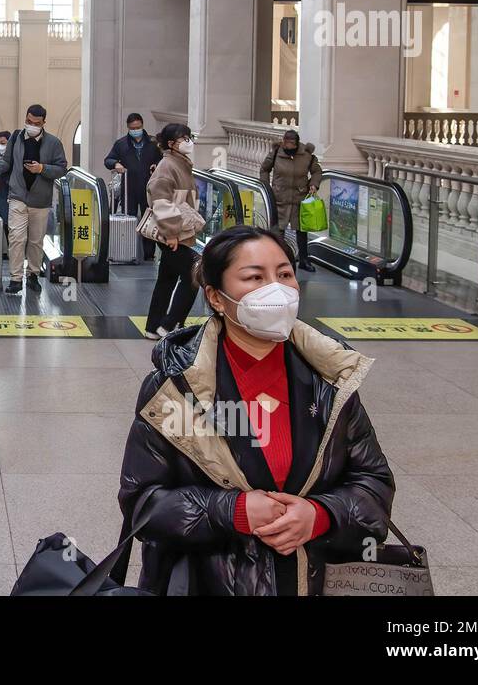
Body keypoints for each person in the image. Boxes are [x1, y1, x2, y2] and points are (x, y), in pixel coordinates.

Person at [113, 226, 394, 595]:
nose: (275, 289)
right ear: (216, 297)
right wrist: (232, 511)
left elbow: (374, 483)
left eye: (284, 274)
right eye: (254, 277)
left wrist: (320, 515)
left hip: (309, 579)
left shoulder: (329, 379)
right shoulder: (177, 388)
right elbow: (143, 504)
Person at [0, 104, 67, 294]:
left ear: (43, 123)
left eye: (36, 123)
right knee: (16, 237)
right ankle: (15, 278)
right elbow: (6, 162)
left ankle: (32, 274)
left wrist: (42, 169)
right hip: (18, 196)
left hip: (41, 199)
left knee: (36, 240)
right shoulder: (16, 138)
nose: (31, 125)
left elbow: (62, 168)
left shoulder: (54, 143)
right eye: (29, 121)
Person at [143, 122, 199, 340]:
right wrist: (171, 233)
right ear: (170, 144)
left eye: (189, 137)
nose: (189, 142)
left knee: (167, 278)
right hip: (174, 234)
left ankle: (153, 327)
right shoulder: (169, 166)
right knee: (195, 275)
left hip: (179, 232)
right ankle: (169, 324)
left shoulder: (180, 163)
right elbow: (161, 202)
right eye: (183, 139)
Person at [260, 129, 322, 272]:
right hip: (279, 198)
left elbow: (317, 171)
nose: (288, 148)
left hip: (300, 199)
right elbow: (264, 169)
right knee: (278, 231)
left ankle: (304, 259)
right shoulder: (276, 153)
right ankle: (276, 260)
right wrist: (266, 187)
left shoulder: (306, 155)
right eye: (285, 144)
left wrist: (314, 184)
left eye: (291, 145)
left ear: (296, 143)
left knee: (302, 230)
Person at [104, 112, 161, 261]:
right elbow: (108, 159)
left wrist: (157, 165)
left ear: (142, 126)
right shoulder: (121, 144)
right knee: (128, 218)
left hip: (148, 189)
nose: (136, 130)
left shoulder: (153, 143)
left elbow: (162, 159)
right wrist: (115, 164)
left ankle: (149, 254)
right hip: (128, 189)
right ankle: (126, 251)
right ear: (128, 128)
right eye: (132, 128)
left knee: (148, 220)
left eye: (138, 127)